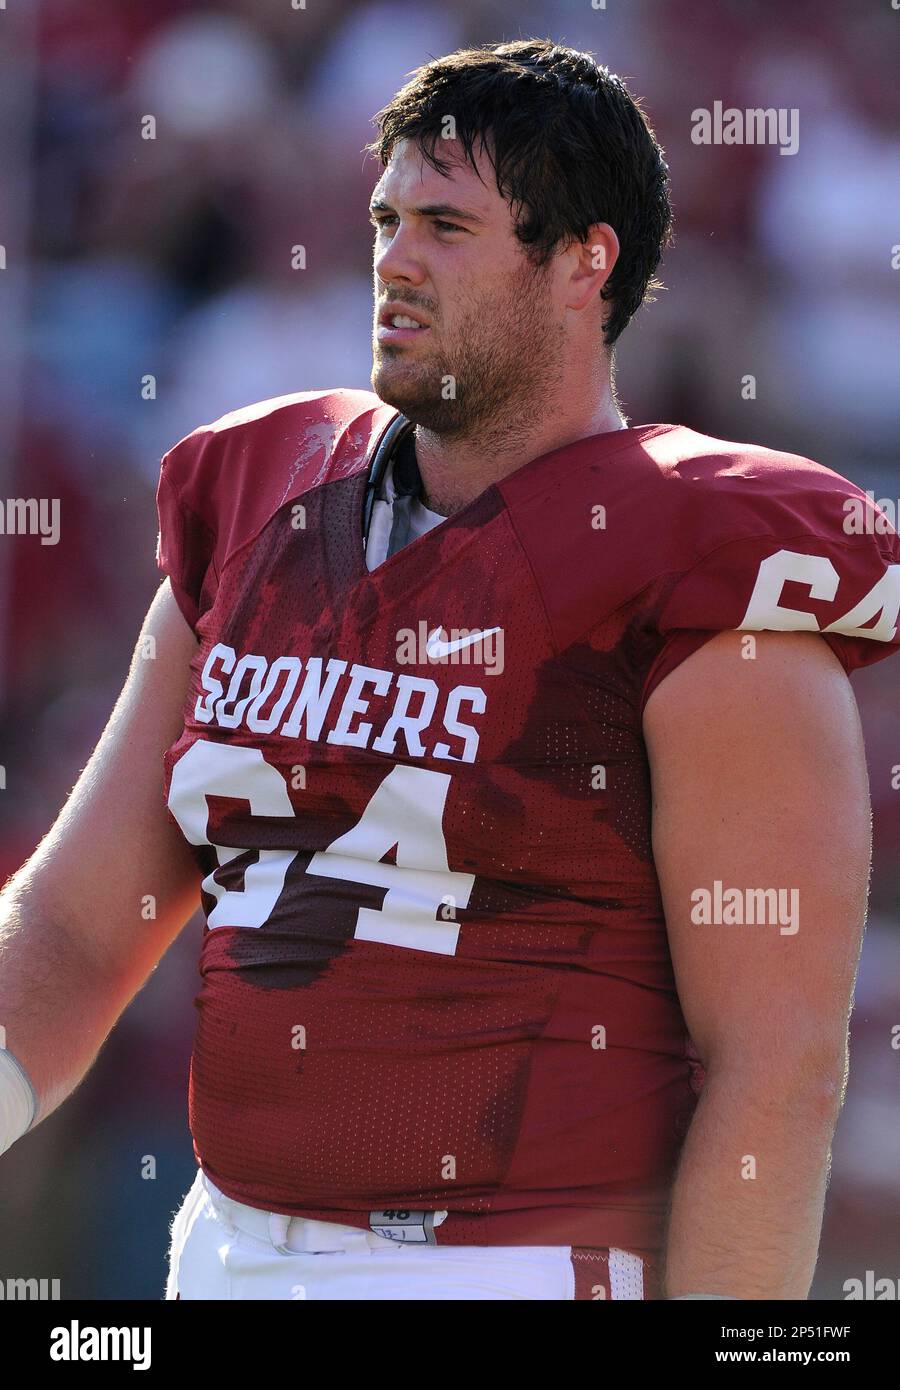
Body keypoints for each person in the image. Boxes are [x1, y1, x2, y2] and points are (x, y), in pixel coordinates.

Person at [2, 39, 898, 1302]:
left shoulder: (698, 559)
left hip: (513, 1268)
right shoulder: (255, 493)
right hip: (225, 1251)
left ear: (585, 263)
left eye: (446, 224)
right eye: (383, 217)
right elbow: (77, 923)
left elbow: (777, 1063)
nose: (391, 260)